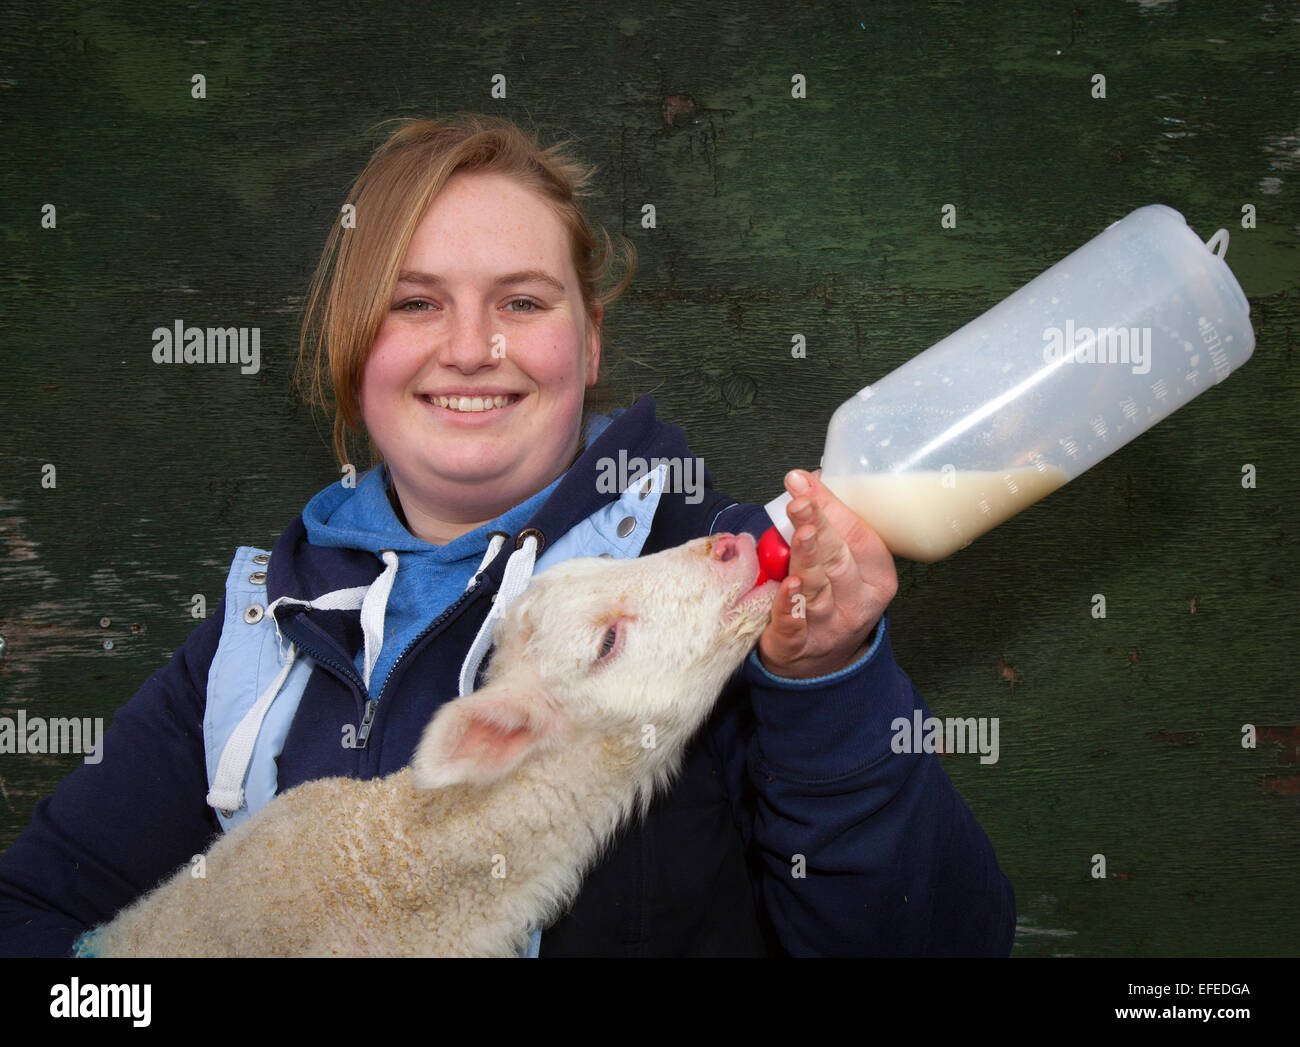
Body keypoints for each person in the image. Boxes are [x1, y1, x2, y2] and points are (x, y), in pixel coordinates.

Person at [0, 114, 1015, 957]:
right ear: (357, 350)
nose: (472, 349)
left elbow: (940, 945)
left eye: (521, 302)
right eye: (415, 303)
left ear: (589, 336)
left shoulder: (739, 580)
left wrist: (826, 683)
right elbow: (39, 917)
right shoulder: (265, 633)